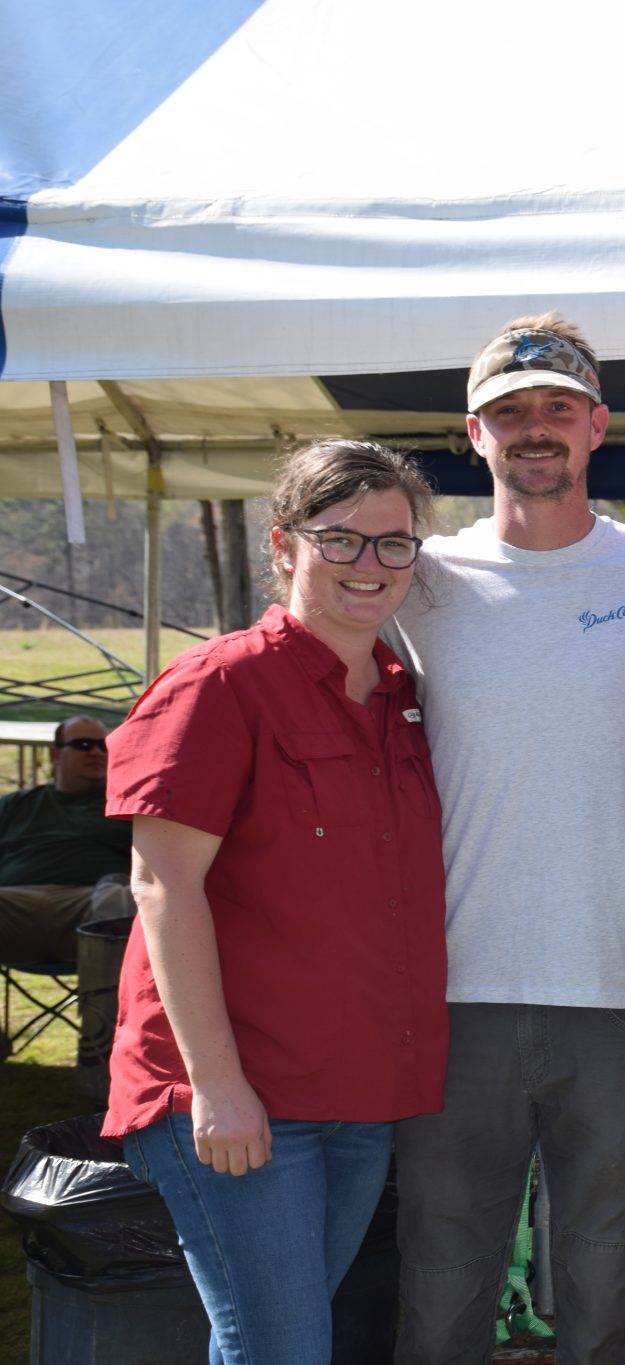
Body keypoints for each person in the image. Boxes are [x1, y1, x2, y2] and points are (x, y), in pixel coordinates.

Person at [100, 438, 449, 1365]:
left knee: (269, 1342)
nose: (369, 567)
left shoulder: (403, 697)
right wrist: (216, 1086)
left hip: (356, 1090)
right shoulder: (218, 685)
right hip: (240, 1095)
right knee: (280, 1348)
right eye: (341, 541)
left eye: (393, 544)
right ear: (285, 544)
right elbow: (161, 884)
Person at [389, 315, 625, 1364]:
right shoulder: (419, 584)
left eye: (557, 408)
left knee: (606, 1283)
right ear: (474, 434)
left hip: (618, 989)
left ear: (597, 425)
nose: (536, 430)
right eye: (511, 412)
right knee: (443, 1277)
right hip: (455, 991)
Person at [0, 716, 133, 964]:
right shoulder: (15, 806)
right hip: (13, 905)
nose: (96, 752)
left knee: (120, 900)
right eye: (83, 745)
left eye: (104, 746)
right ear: (56, 754)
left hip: (92, 906)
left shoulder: (126, 807)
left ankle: (103, 1004)